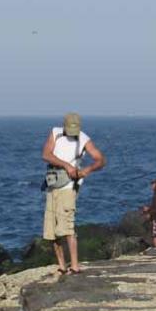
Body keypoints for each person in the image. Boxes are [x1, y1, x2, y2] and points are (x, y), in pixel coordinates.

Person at [41, 112, 106, 274]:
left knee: (67, 226)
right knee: (52, 228)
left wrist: (88, 169)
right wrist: (66, 166)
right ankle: (62, 266)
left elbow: (100, 159)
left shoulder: (84, 138)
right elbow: (46, 154)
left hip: (69, 187)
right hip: (53, 183)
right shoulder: (55, 133)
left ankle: (75, 265)